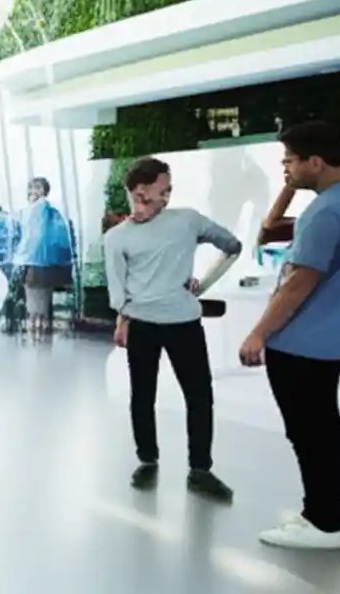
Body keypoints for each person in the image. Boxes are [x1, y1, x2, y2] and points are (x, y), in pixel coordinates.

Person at [239, 121, 340, 550]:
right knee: (322, 427)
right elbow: (271, 228)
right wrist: (291, 186)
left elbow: (299, 282)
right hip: (329, 338)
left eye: (289, 160)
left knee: (310, 431)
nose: (284, 168)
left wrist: (258, 333)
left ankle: (323, 523)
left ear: (316, 161)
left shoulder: (325, 211)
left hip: (299, 340)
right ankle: (324, 515)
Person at [105, 157, 241, 502]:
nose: (165, 197)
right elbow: (118, 293)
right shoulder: (116, 238)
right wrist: (124, 321)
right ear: (138, 191)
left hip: (183, 323)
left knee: (199, 396)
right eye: (160, 191)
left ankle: (200, 469)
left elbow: (232, 245)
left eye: (168, 191)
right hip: (143, 327)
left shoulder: (187, 220)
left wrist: (203, 284)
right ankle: (147, 459)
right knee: (142, 395)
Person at [14, 177, 74, 337]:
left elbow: (29, 236)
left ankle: (37, 329)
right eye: (32, 188)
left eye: (37, 188)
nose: (34, 191)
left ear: (44, 191)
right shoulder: (48, 211)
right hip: (42, 263)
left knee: (35, 300)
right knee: (40, 300)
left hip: (36, 262)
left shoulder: (38, 210)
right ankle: (40, 329)